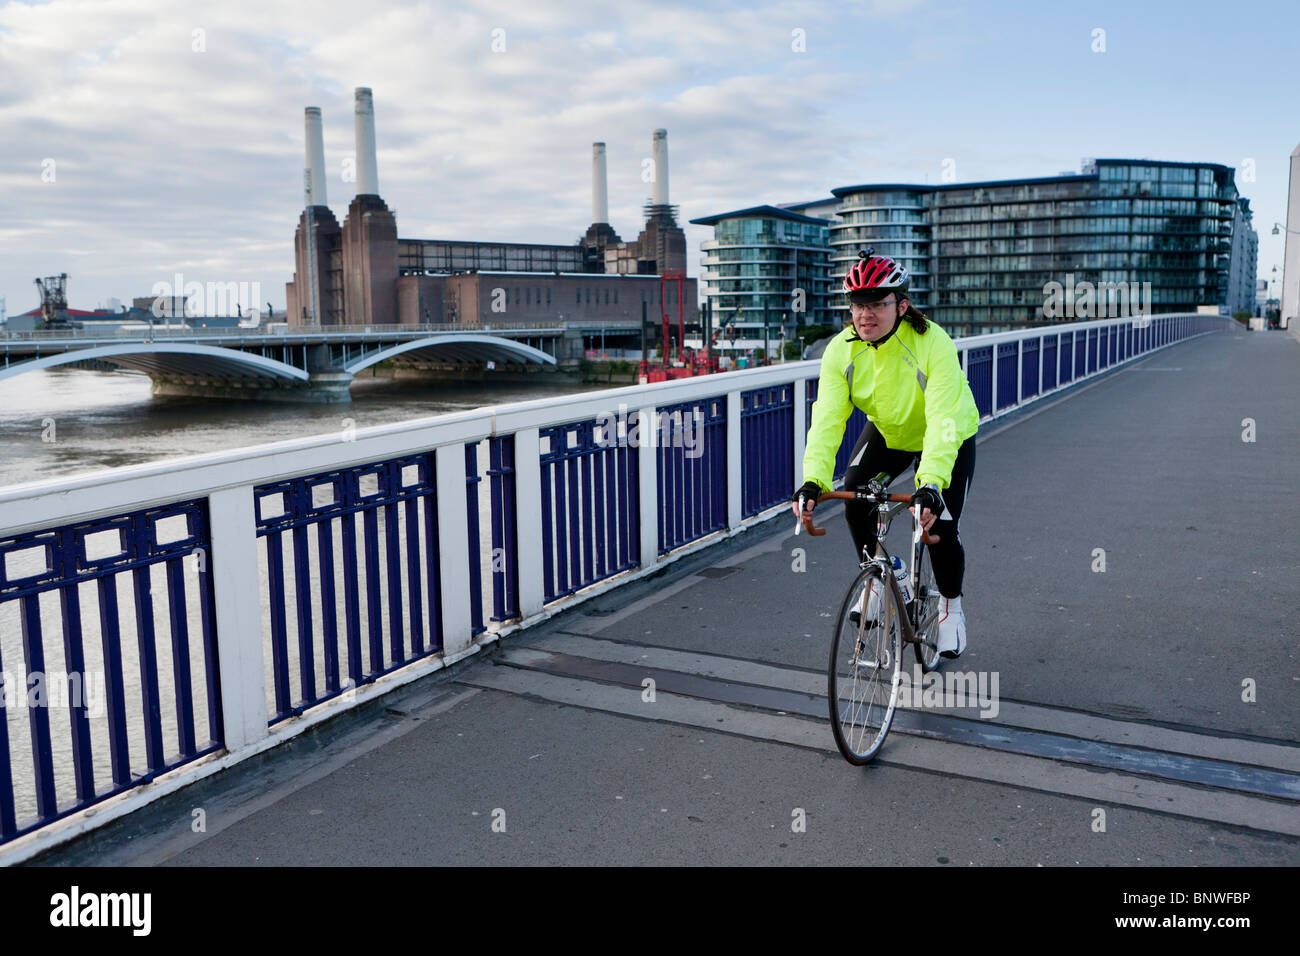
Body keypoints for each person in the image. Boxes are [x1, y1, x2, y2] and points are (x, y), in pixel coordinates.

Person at [791, 249, 979, 659]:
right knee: (856, 493)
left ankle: (951, 609)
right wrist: (812, 481)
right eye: (859, 304)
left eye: (878, 303)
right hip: (891, 431)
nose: (866, 314)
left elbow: (944, 417)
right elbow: (827, 419)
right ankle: (882, 576)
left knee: (940, 523)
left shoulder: (933, 343)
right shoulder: (841, 351)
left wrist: (928, 485)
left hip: (947, 431)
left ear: (902, 305)